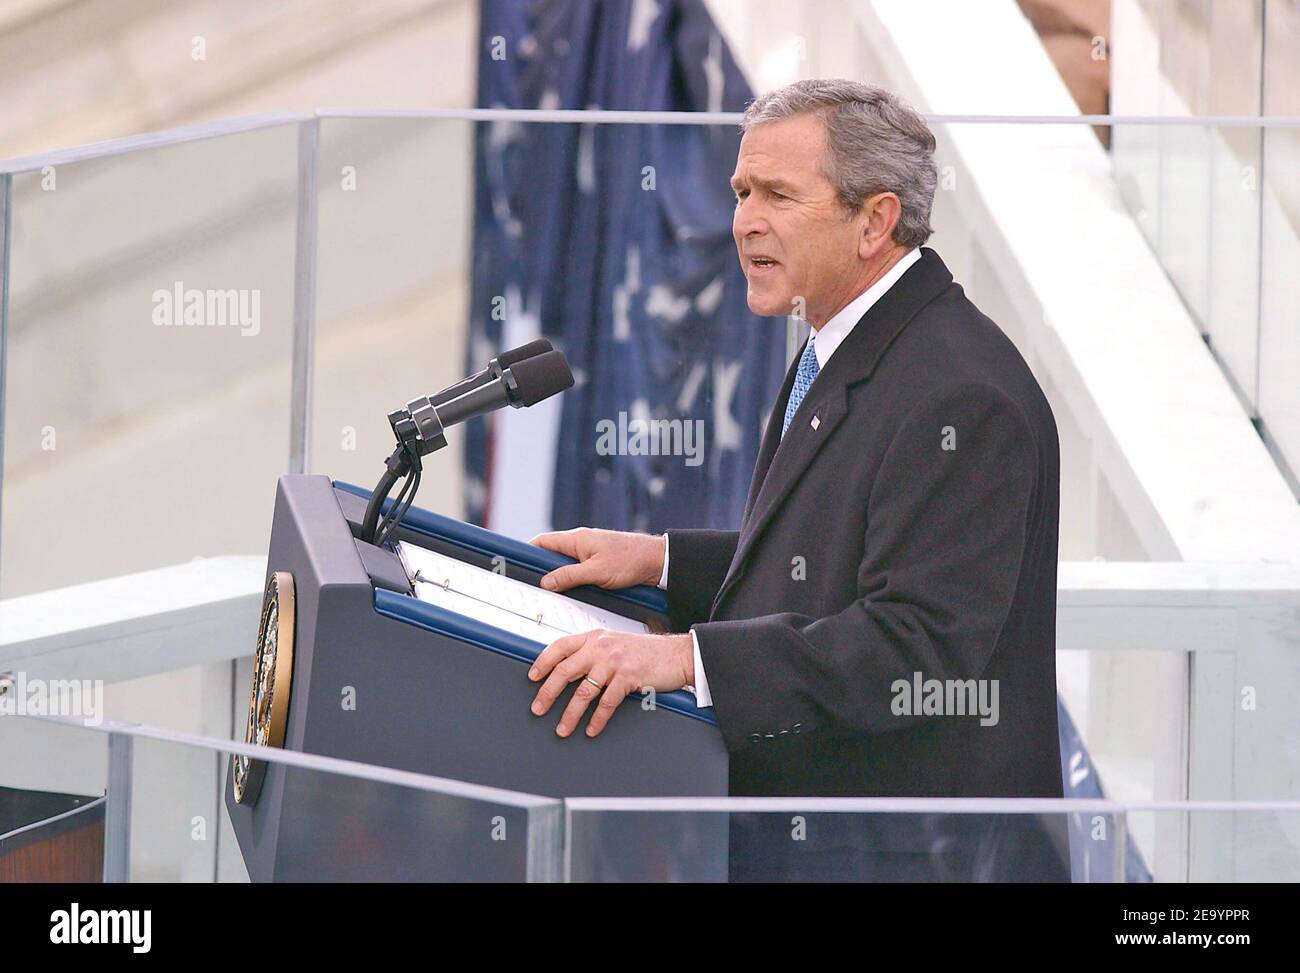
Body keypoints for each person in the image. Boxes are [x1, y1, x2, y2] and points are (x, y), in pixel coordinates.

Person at [526, 79, 1067, 881]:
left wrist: (687, 659)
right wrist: (661, 560)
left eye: (779, 194)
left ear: (874, 220)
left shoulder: (962, 394)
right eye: (743, 191)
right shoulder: (841, 339)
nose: (745, 220)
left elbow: (914, 648)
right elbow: (829, 556)